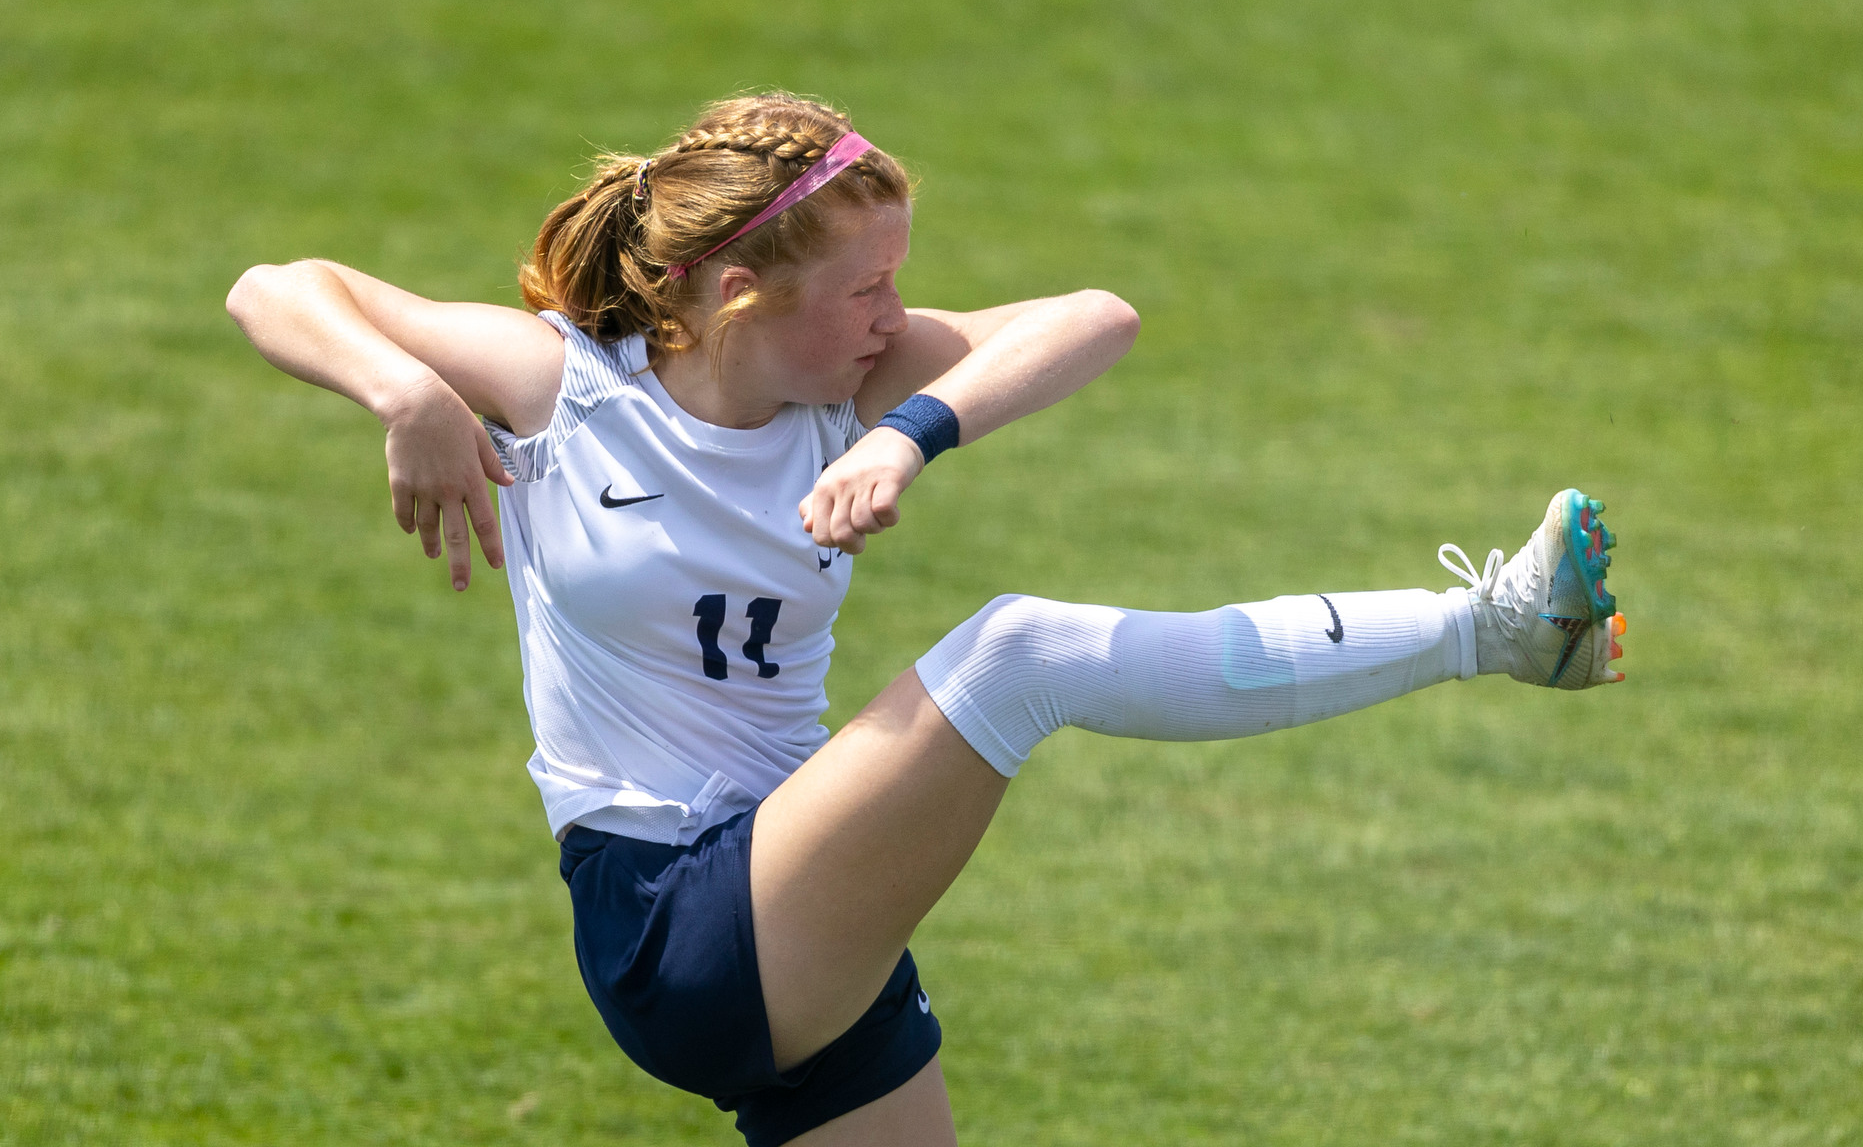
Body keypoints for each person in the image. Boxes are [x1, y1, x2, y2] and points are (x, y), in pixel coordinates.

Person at [225, 91, 1625, 1146]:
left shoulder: (847, 386)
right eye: (866, 288)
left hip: (812, 899)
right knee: (1014, 655)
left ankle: (1501, 634)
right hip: (672, 917)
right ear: (737, 294)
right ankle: (1492, 629)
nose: (893, 315)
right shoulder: (562, 387)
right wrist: (404, 394)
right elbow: (276, 289)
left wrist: (909, 431)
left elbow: (1097, 317)